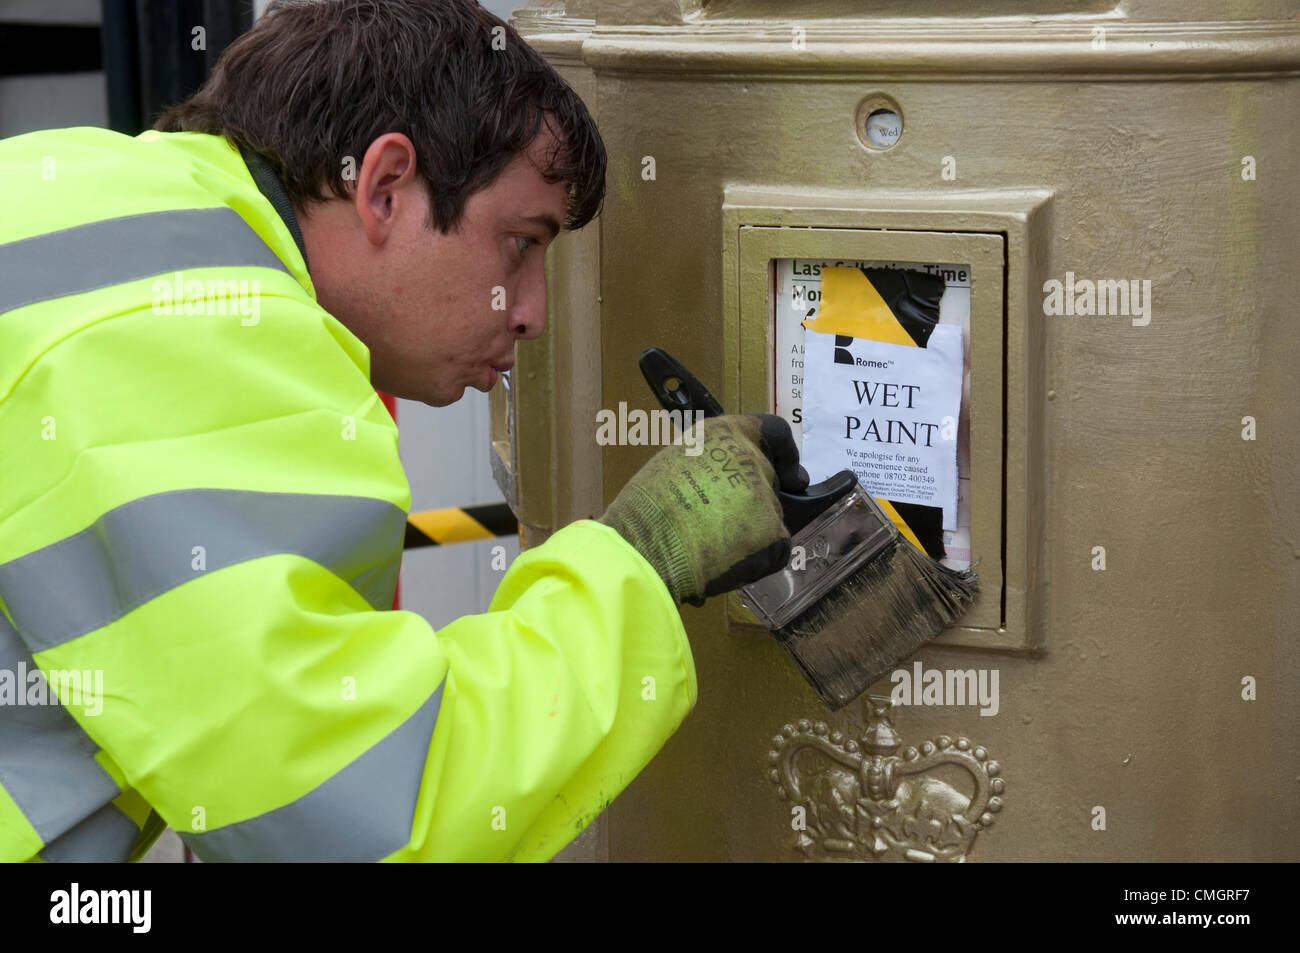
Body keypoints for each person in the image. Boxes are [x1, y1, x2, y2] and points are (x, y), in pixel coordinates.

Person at [0, 0, 800, 862]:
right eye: (520, 244)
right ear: (383, 186)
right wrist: (645, 557)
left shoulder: (70, 189)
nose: (530, 313)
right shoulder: (211, 331)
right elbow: (358, 816)